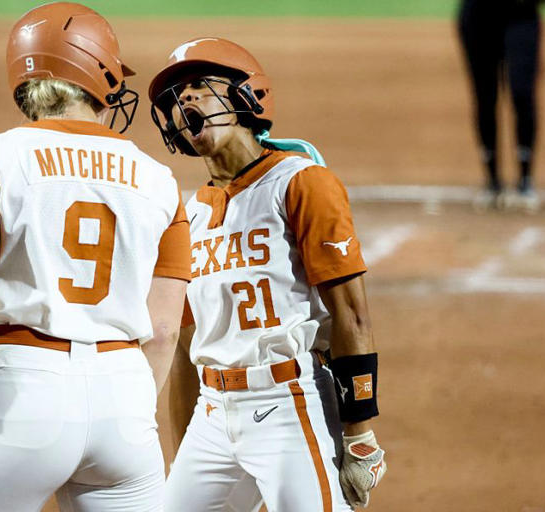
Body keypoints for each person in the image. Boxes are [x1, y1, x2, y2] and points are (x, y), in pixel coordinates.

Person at [0, 3, 190, 511]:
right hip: (125, 401)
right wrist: (133, 411)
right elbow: (163, 331)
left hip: (23, 398)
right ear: (99, 76)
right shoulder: (159, 180)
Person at [148, 38, 386, 512]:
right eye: (176, 95)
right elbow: (186, 344)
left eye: (200, 85)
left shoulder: (299, 183)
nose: (185, 99)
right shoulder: (190, 214)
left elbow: (351, 314)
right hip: (212, 415)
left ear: (246, 94)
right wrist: (185, 452)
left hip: (289, 403)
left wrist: (359, 431)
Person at [458, 0, 545, 212]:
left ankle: (525, 180)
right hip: (478, 16)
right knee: (485, 97)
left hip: (522, 14)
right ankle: (492, 182)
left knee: (522, 93)